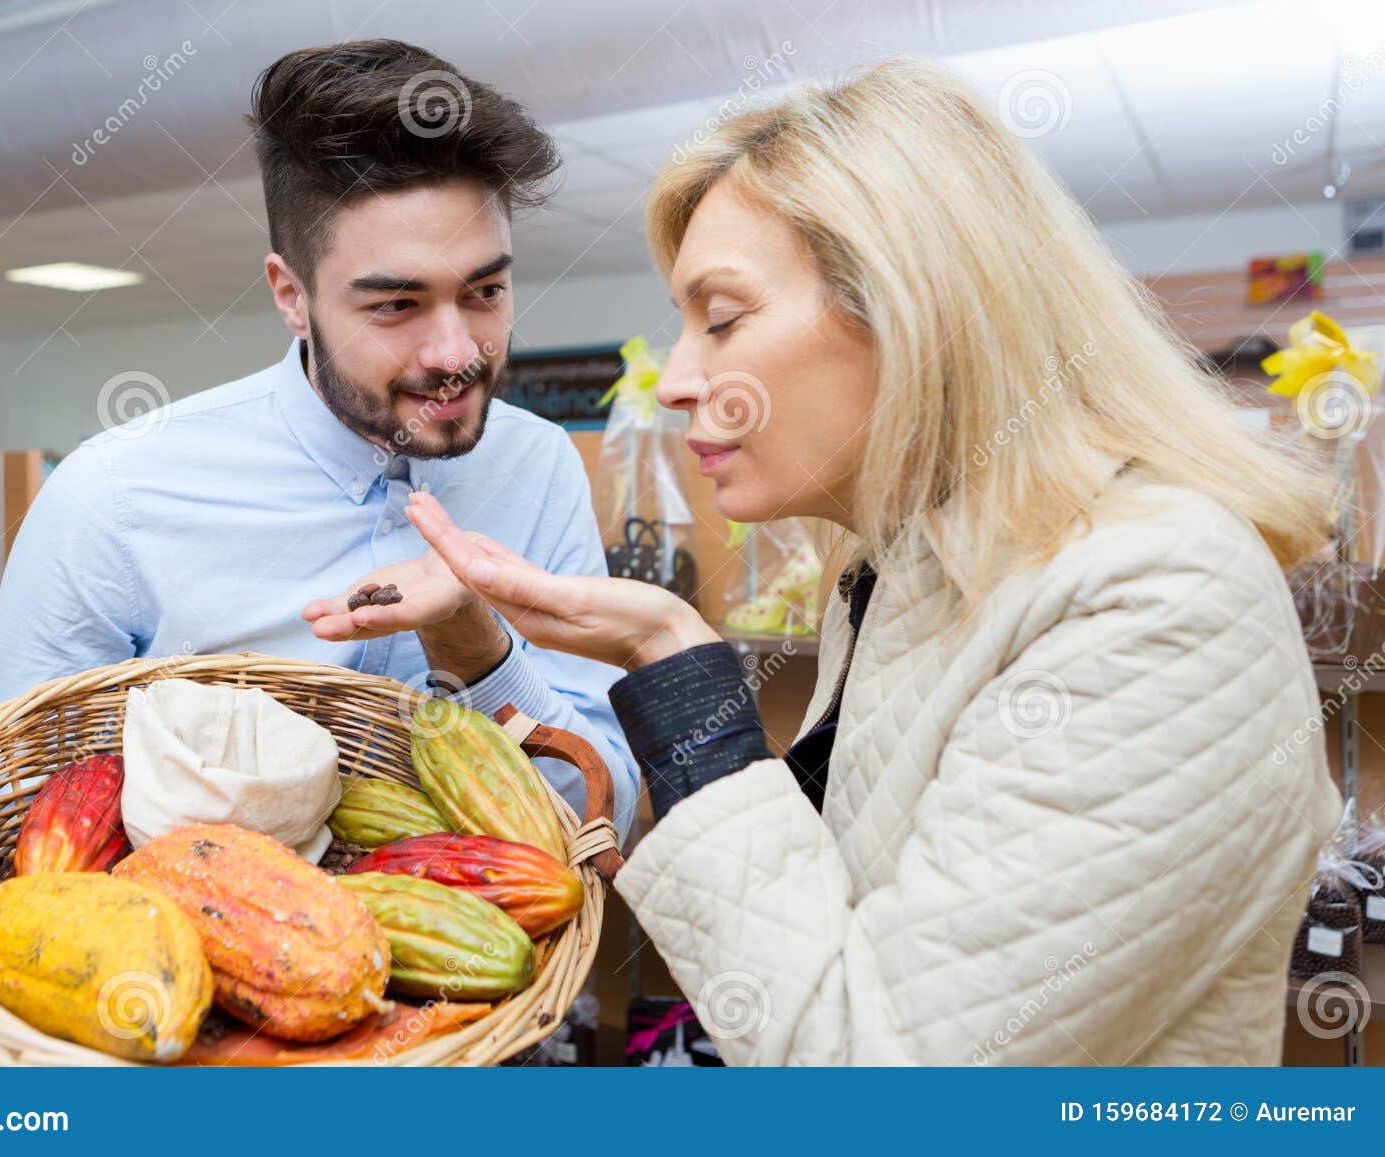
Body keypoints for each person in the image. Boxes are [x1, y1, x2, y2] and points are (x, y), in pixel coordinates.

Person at [380, 58, 1343, 1064]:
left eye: (721, 318)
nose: (678, 377)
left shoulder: (1159, 599)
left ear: (905, 308)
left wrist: (677, 671)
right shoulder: (907, 567)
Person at [0, 40, 637, 839]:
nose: (457, 353)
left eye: (486, 290)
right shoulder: (112, 498)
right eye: (397, 305)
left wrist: (475, 646)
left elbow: (606, 815)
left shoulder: (538, 466)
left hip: (507, 953)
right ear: (292, 295)